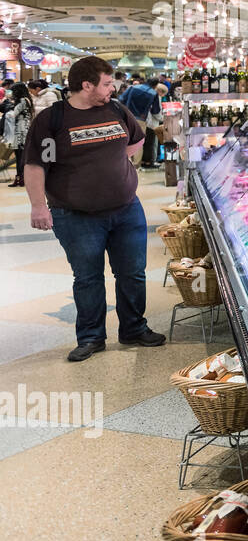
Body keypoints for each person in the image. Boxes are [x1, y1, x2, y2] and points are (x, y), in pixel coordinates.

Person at [24, 55, 166, 361]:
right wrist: (38, 206)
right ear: (86, 85)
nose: (112, 87)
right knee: (88, 277)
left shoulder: (116, 108)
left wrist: (114, 167)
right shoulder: (52, 120)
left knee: (133, 273)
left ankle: (133, 328)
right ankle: (90, 337)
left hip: (127, 209)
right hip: (76, 216)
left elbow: (135, 141)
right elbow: (35, 166)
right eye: (106, 83)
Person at [120, 77, 162, 168]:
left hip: (126, 117)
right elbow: (155, 111)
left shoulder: (133, 87)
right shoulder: (153, 93)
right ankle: (136, 165)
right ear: (155, 85)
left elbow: (121, 99)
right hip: (141, 119)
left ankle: (126, 163)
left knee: (126, 140)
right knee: (138, 142)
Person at [6, 82, 33, 187]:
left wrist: (8, 107)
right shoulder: (27, 100)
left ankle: (21, 178)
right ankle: (20, 178)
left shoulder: (22, 101)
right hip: (23, 130)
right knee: (20, 156)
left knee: (20, 156)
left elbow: (13, 115)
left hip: (20, 132)